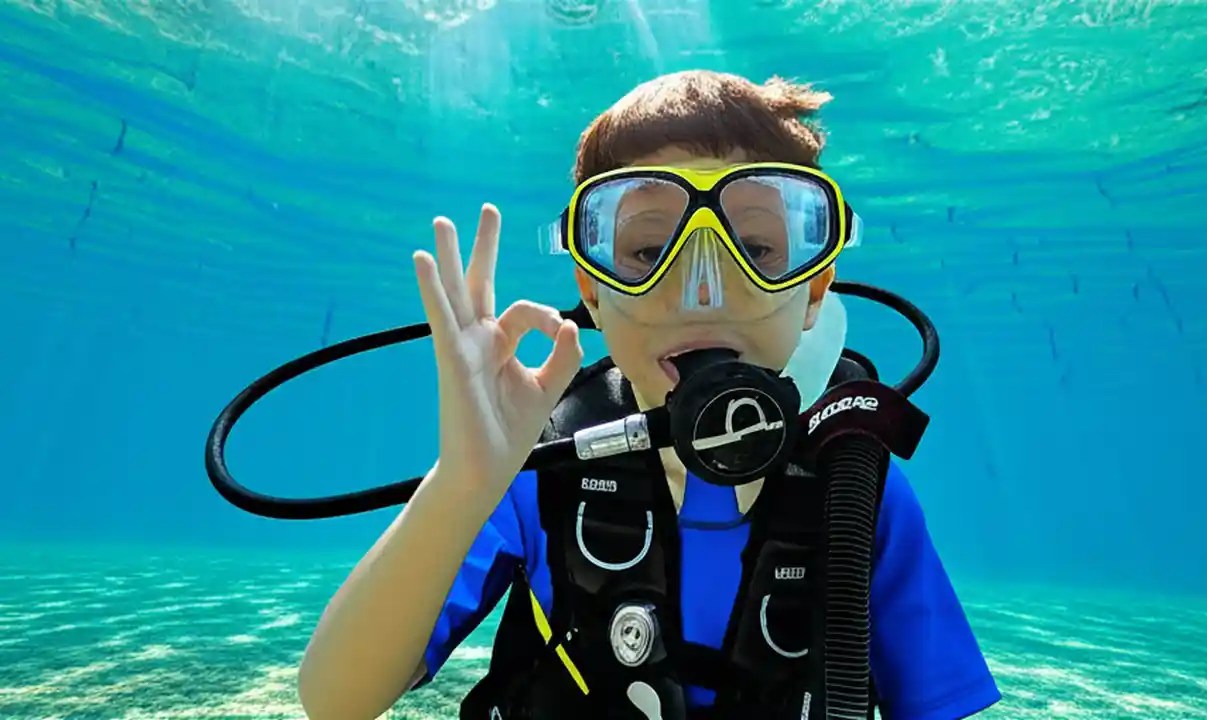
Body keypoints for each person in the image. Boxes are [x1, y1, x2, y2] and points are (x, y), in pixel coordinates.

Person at [297, 70, 1002, 720]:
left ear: (815, 288)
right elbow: (337, 701)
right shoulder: (535, 468)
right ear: (591, 292)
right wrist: (460, 487)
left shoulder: (857, 486)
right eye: (645, 251)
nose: (703, 290)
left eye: (754, 250)